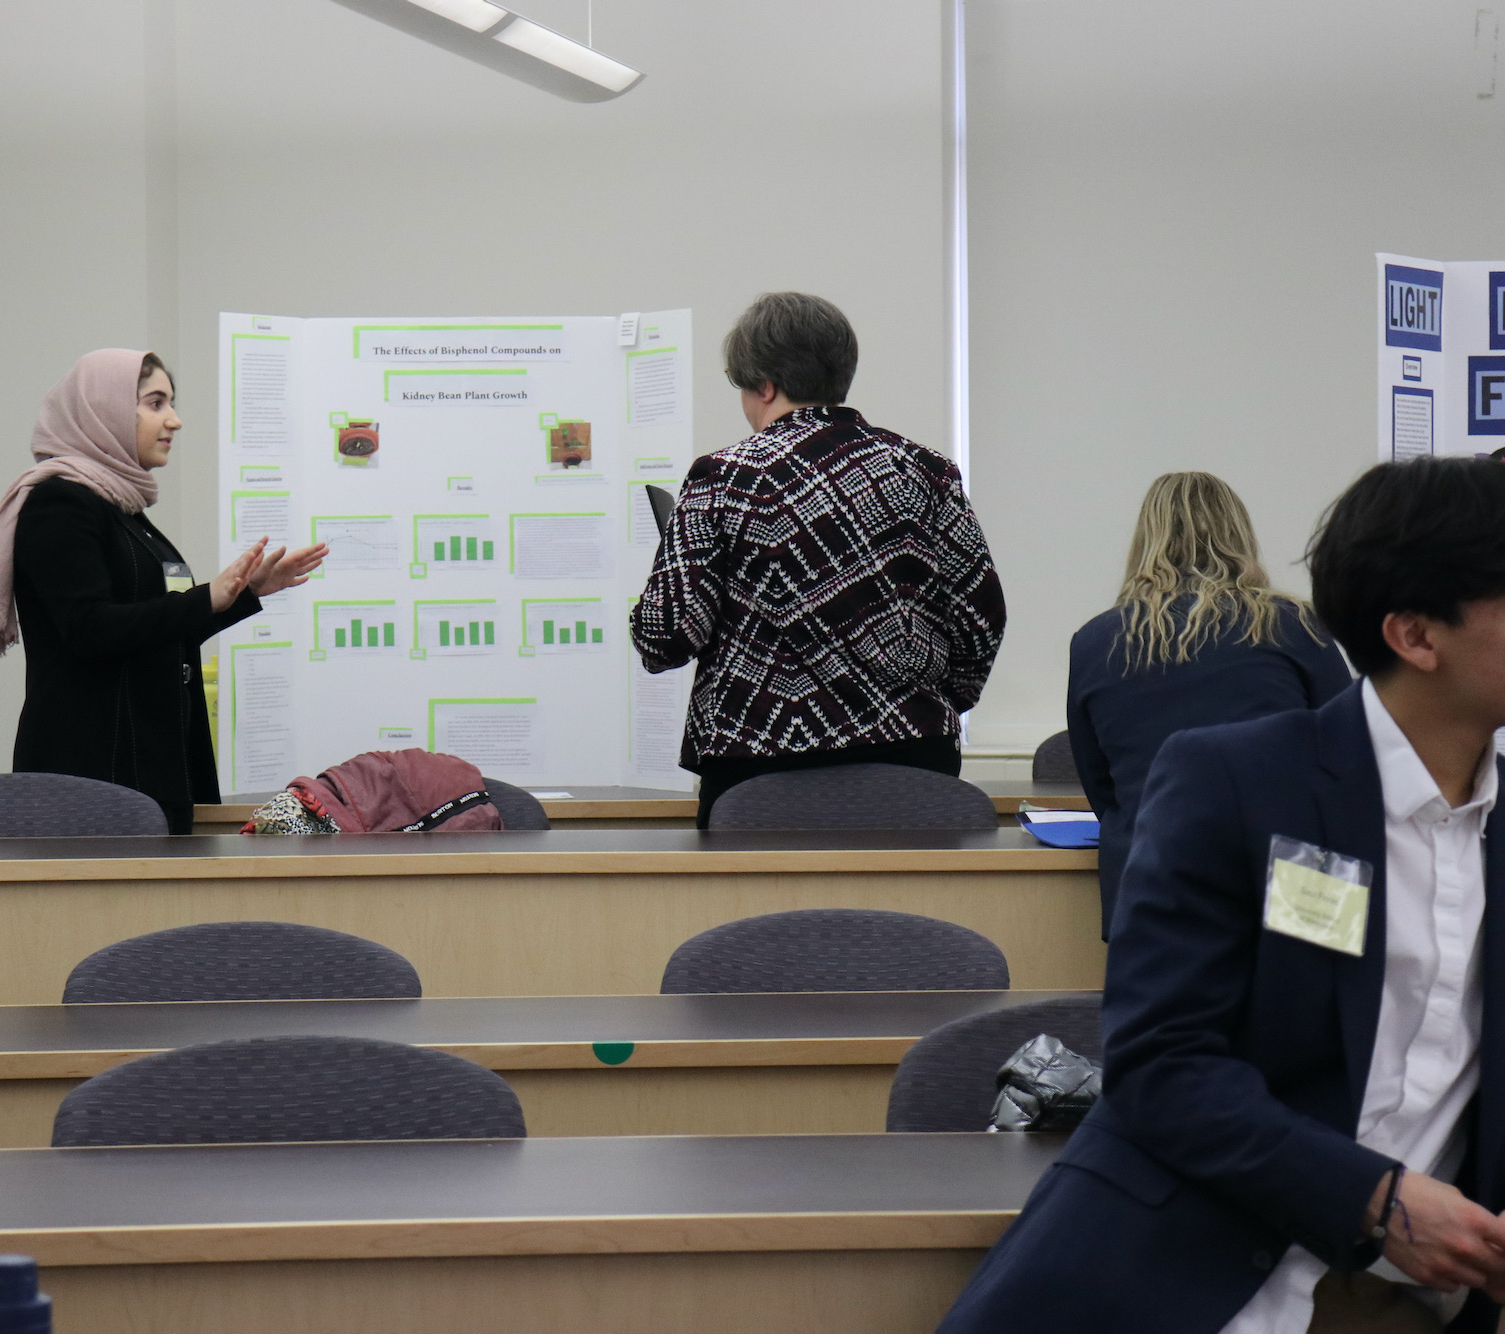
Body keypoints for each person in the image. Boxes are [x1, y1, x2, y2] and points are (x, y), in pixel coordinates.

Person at [941, 455, 1505, 1334]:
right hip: (1185, 1275)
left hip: (1417, 1300)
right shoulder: (1239, 781)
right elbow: (1161, 1067)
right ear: (1416, 638)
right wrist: (1376, 1199)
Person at [629, 292, 1005, 828]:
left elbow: (667, 636)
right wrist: (923, 701)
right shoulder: (927, 471)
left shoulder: (723, 478)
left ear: (765, 385)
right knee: (906, 914)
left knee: (766, 915)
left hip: (758, 776)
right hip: (912, 767)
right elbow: (981, 615)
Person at [0, 349, 324, 833]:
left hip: (150, 763)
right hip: (94, 775)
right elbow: (89, 629)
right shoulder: (60, 504)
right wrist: (207, 597)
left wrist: (244, 594)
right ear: (106, 411)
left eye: (171, 404)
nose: (175, 421)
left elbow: (157, 629)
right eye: (156, 403)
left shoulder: (122, 509)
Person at [1067, 472, 1351, 938]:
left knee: (1170, 1012)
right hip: (1296, 876)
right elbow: (1350, 751)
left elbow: (1103, 788)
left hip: (1154, 873)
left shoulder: (1097, 641)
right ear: (1239, 534)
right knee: (1314, 1009)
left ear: (1146, 539)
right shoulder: (1294, 625)